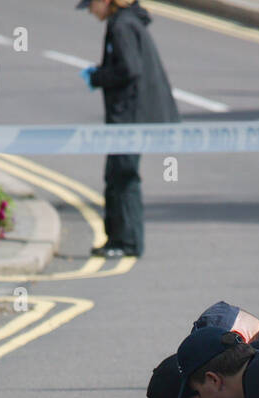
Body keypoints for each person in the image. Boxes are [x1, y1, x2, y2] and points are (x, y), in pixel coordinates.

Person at [78, 0, 178, 258]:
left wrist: (98, 76)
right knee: (119, 175)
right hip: (130, 117)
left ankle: (126, 242)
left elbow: (129, 69)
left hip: (129, 119)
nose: (90, 10)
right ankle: (119, 240)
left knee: (122, 176)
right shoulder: (127, 22)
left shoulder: (121, 25)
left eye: (91, 4)